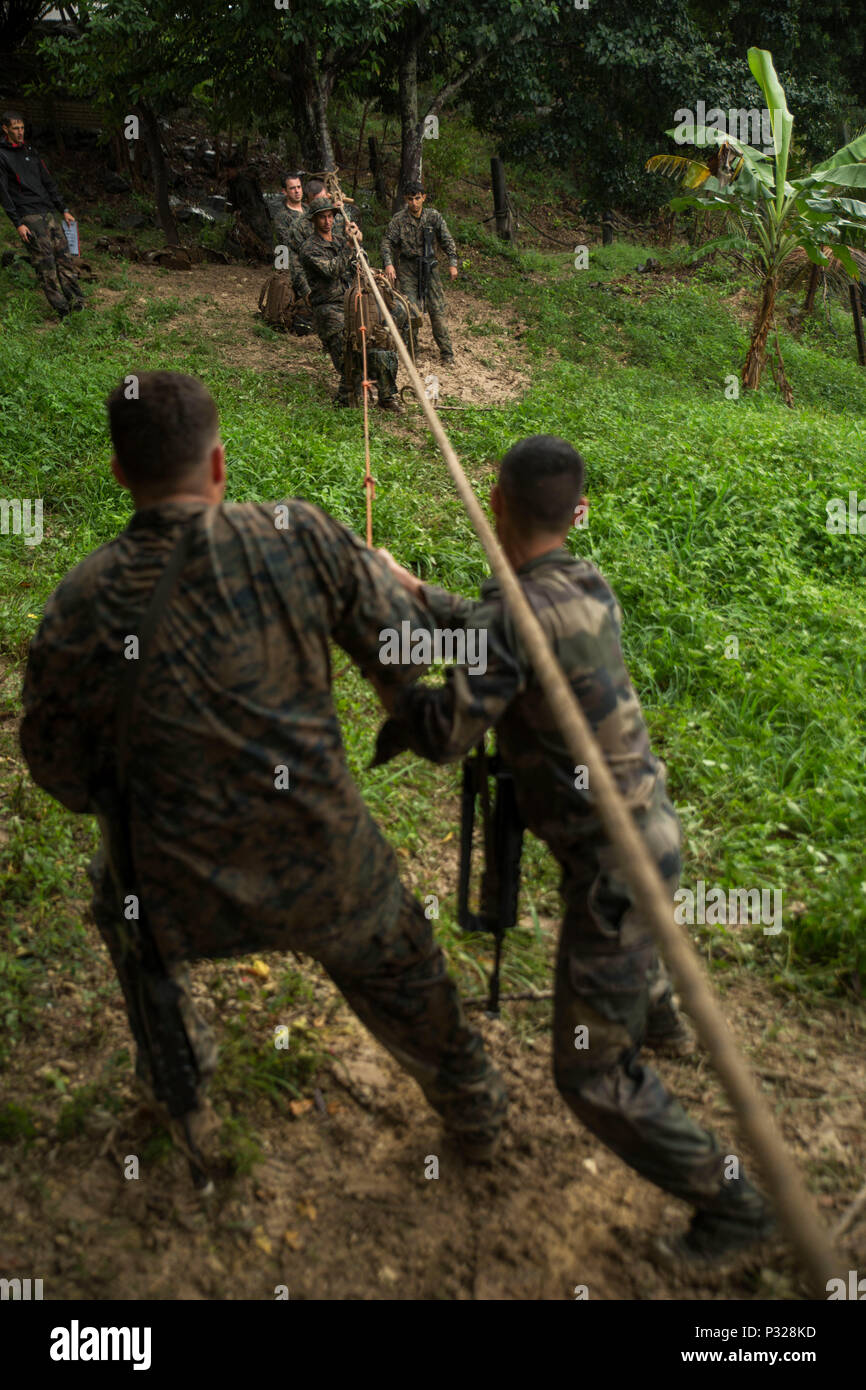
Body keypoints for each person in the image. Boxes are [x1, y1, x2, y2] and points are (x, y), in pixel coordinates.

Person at [18, 370, 505, 1171]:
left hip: (175, 882)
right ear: (218, 466)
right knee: (397, 954)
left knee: (120, 898)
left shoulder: (83, 596)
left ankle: (182, 1093)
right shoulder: (299, 534)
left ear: (117, 474)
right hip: (325, 861)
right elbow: (410, 665)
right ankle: (472, 1102)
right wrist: (444, 608)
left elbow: (57, 771)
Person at [371, 435, 776, 1263]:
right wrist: (416, 591)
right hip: (653, 832)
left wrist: (389, 673)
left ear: (494, 503)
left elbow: (447, 729)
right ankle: (658, 1014)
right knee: (629, 932)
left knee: (588, 1073)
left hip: (614, 868)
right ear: (574, 512)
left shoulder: (515, 620)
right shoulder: (585, 585)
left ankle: (735, 1205)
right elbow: (501, 631)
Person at [299, 196, 402, 411]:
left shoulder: (339, 240)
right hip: (329, 309)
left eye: (330, 217)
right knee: (348, 354)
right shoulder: (309, 248)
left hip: (353, 302)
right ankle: (346, 395)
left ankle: (386, 395)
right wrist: (348, 245)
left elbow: (359, 264)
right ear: (314, 221)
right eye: (322, 218)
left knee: (382, 341)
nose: (327, 222)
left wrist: (358, 244)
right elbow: (331, 270)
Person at [0, 110, 84, 320]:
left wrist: (63, 209)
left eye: (22, 128)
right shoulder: (2, 155)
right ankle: (62, 310)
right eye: (15, 128)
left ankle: (78, 305)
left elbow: (48, 181)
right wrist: (18, 223)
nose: (20, 132)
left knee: (65, 258)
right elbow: (3, 193)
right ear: (5, 129)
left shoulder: (30, 151)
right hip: (28, 216)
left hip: (48, 211)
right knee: (45, 263)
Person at [381, 181, 457, 365]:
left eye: (417, 198)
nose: (414, 203)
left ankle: (447, 354)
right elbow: (386, 242)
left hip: (430, 267)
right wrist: (389, 264)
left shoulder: (433, 217)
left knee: (437, 309)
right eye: (410, 199)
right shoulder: (399, 220)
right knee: (410, 310)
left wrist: (453, 263)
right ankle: (412, 353)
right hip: (408, 268)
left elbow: (447, 240)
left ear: (423, 197)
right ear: (405, 200)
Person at [271, 170, 313, 336]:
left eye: (299, 187)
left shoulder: (309, 210)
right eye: (292, 188)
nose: (297, 191)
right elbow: (289, 241)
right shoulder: (282, 216)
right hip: (291, 263)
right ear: (285, 192)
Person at [224, 151, 272, 261]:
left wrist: (242, 212)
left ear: (235, 169)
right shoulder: (232, 183)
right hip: (247, 215)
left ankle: (270, 259)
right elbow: (233, 201)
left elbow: (253, 203)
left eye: (228, 170)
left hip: (256, 214)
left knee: (263, 238)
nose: (226, 173)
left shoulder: (244, 183)